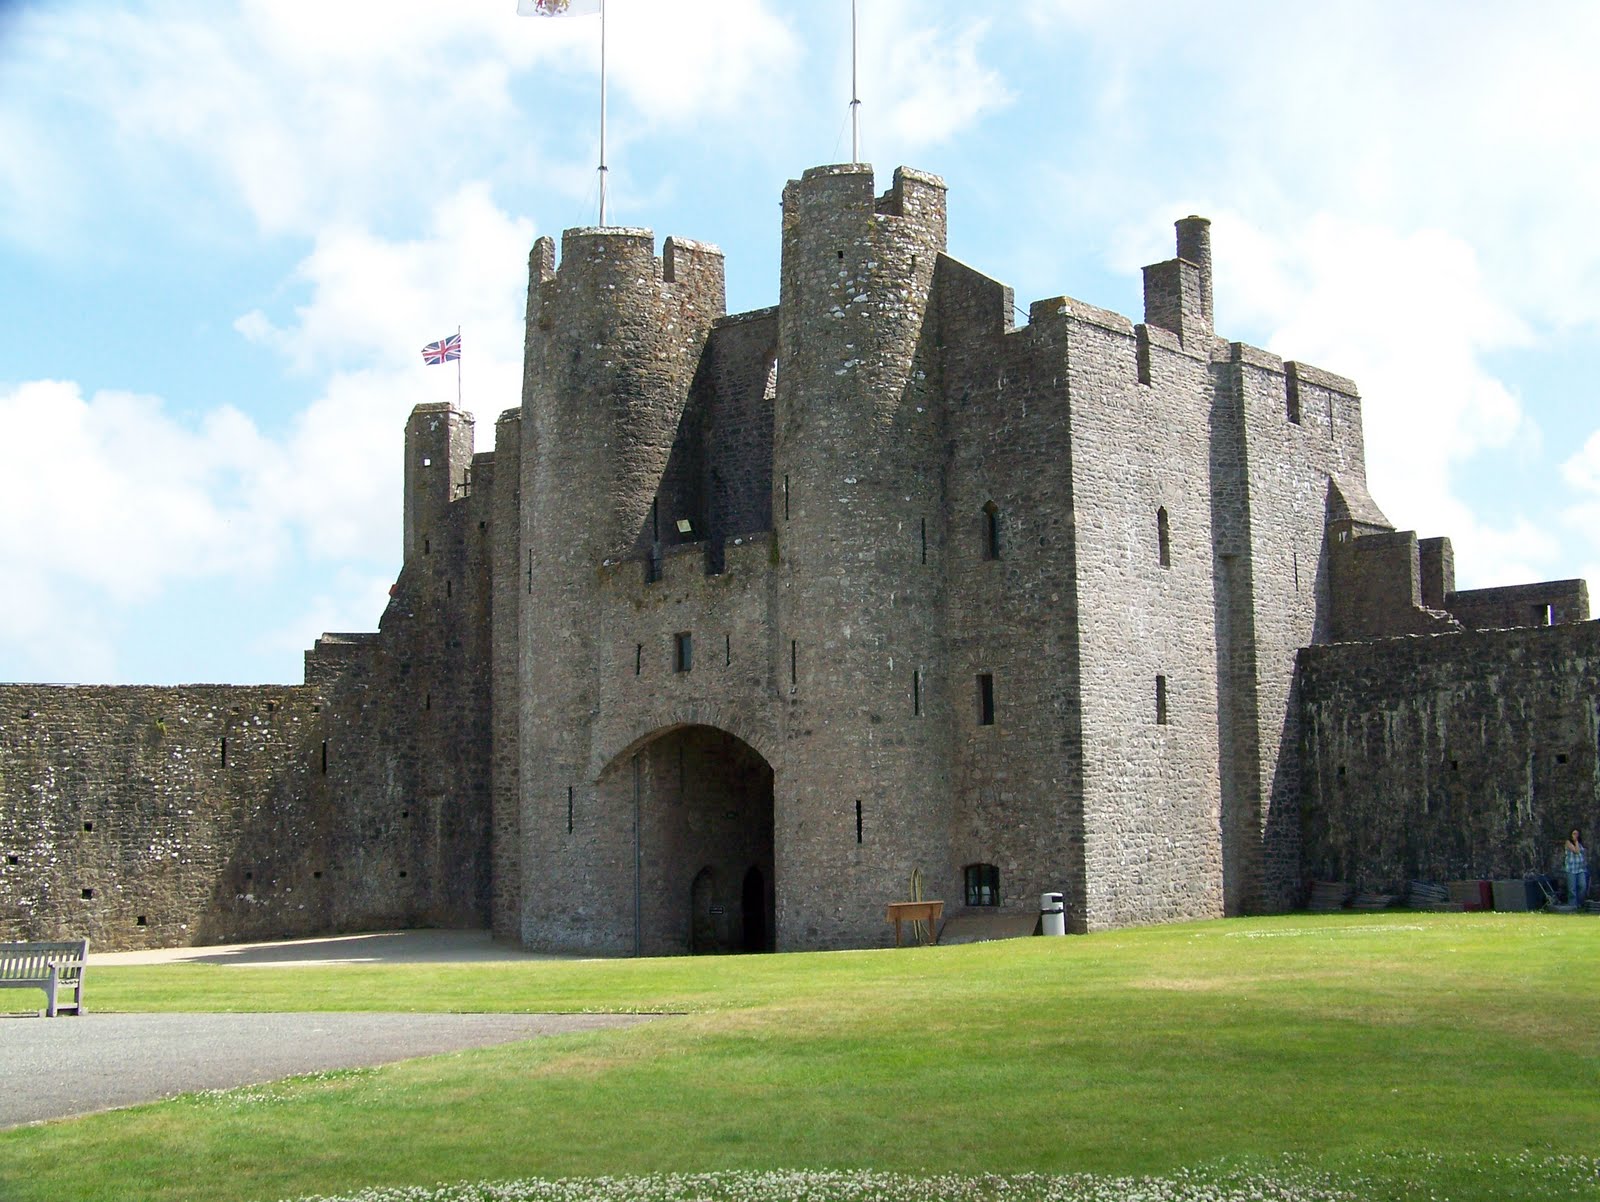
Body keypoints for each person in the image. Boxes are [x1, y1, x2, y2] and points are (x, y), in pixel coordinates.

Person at [1564, 829, 1589, 910]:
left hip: (1580, 869)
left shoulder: (1580, 843)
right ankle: (1572, 907)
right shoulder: (1568, 842)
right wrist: (1576, 842)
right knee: (1572, 889)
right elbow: (1576, 851)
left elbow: (1582, 853)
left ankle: (1579, 904)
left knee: (1583, 886)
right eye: (1574, 834)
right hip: (1571, 869)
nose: (1575, 835)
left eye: (1577, 834)